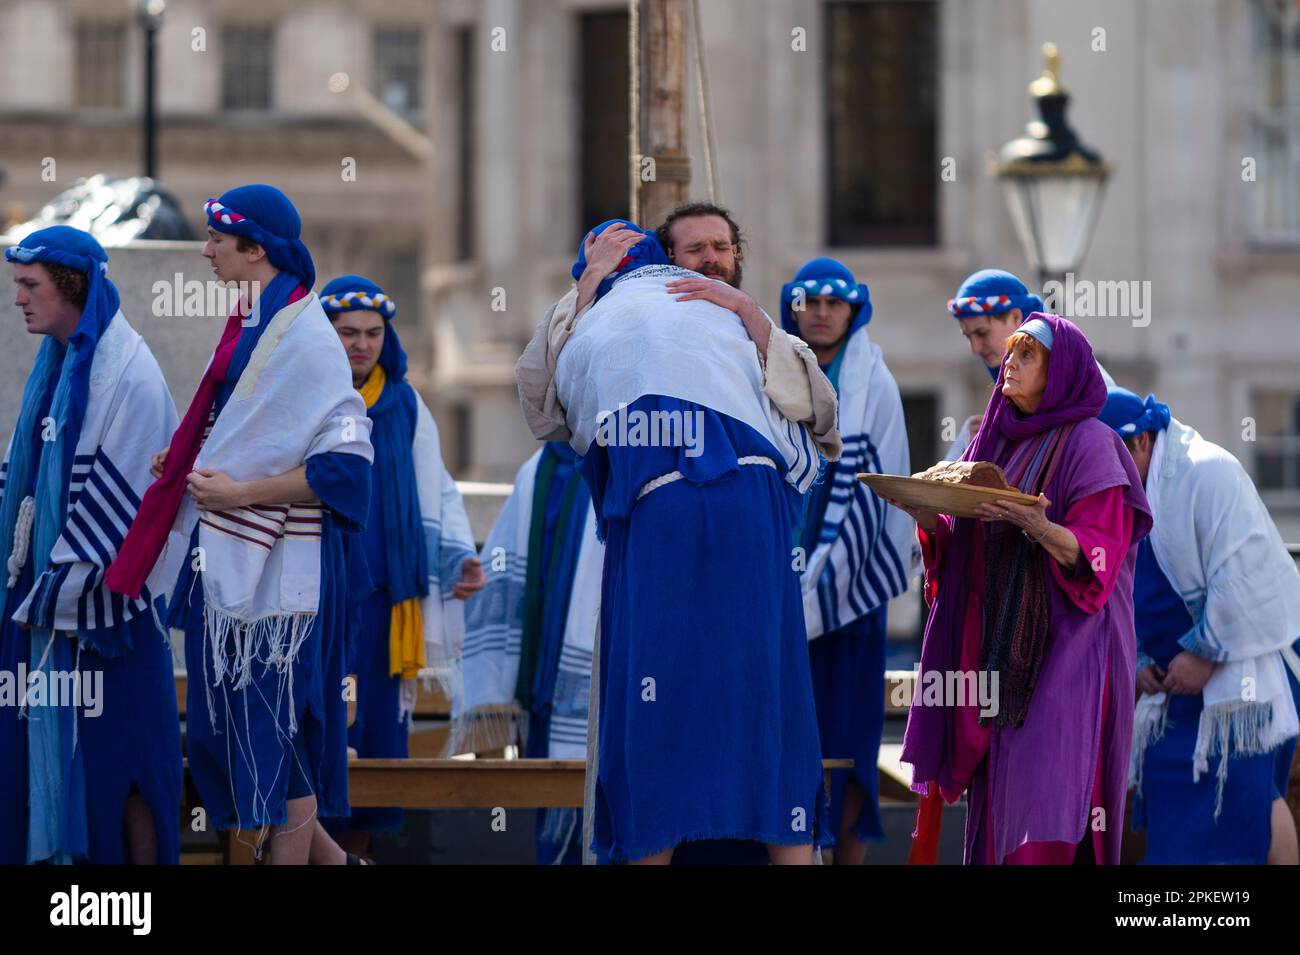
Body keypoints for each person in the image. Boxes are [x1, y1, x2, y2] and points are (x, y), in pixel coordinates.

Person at [517, 219, 838, 864]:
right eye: (699, 250)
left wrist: (582, 287)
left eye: (723, 249)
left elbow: (540, 404)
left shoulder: (595, 318)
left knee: (653, 698)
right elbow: (819, 412)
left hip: (660, 508)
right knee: (769, 692)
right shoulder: (722, 316)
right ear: (668, 258)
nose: (712, 262)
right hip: (755, 505)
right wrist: (749, 314)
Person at [106, 185, 373, 864]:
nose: (206, 251)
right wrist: (195, 454)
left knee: (278, 732)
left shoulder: (305, 334)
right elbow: (247, 426)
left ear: (255, 249)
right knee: (246, 734)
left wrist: (239, 493)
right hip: (237, 565)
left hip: (280, 574)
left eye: (218, 240)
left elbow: (344, 469)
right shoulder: (255, 318)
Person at [894, 313, 1151, 864]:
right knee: (999, 790)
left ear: (1061, 372)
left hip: (1073, 650)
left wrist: (1037, 526)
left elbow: (1097, 553)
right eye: (1009, 351)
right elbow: (963, 531)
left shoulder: (1095, 443)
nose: (1009, 362)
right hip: (998, 648)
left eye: (1027, 353)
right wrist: (923, 508)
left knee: (1051, 787)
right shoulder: (996, 437)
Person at [0, 226, 181, 864]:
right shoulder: (58, 363)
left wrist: (48, 598)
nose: (17, 299)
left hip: (109, 620)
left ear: (71, 287)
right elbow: (25, 480)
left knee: (128, 771)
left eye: (30, 285)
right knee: (52, 769)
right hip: (45, 611)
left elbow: (131, 508)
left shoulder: (128, 375)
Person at [1100, 387, 1300, 864]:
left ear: (1143, 441)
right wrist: (1144, 660)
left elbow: (1244, 571)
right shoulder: (1119, 494)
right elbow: (1123, 591)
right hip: (1173, 677)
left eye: (1111, 456)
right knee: (1175, 779)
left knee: (1248, 788)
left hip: (1249, 663)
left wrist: (1206, 652)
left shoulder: (1208, 470)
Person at [318, 275, 482, 857]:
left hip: (388, 609)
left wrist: (460, 556)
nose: (360, 344)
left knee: (378, 746)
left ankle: (357, 855)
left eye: (371, 333)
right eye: (345, 333)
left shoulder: (406, 406)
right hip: (318, 607)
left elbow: (436, 493)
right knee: (320, 738)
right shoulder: (304, 398)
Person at [779, 257, 915, 863]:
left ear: (853, 310)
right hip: (780, 587)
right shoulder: (771, 373)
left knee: (852, 736)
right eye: (812, 302)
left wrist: (833, 572)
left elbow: (882, 486)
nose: (823, 313)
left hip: (853, 592)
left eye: (836, 303)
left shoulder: (875, 381)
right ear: (794, 307)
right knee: (787, 734)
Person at [455, 440, 602, 865]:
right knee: (554, 836)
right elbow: (502, 568)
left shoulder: (630, 455)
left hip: (612, 688)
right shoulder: (540, 467)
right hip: (545, 687)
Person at [943, 269, 1116, 460]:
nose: (974, 348)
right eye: (968, 337)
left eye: (982, 333)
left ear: (1016, 317)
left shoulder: (1084, 381)